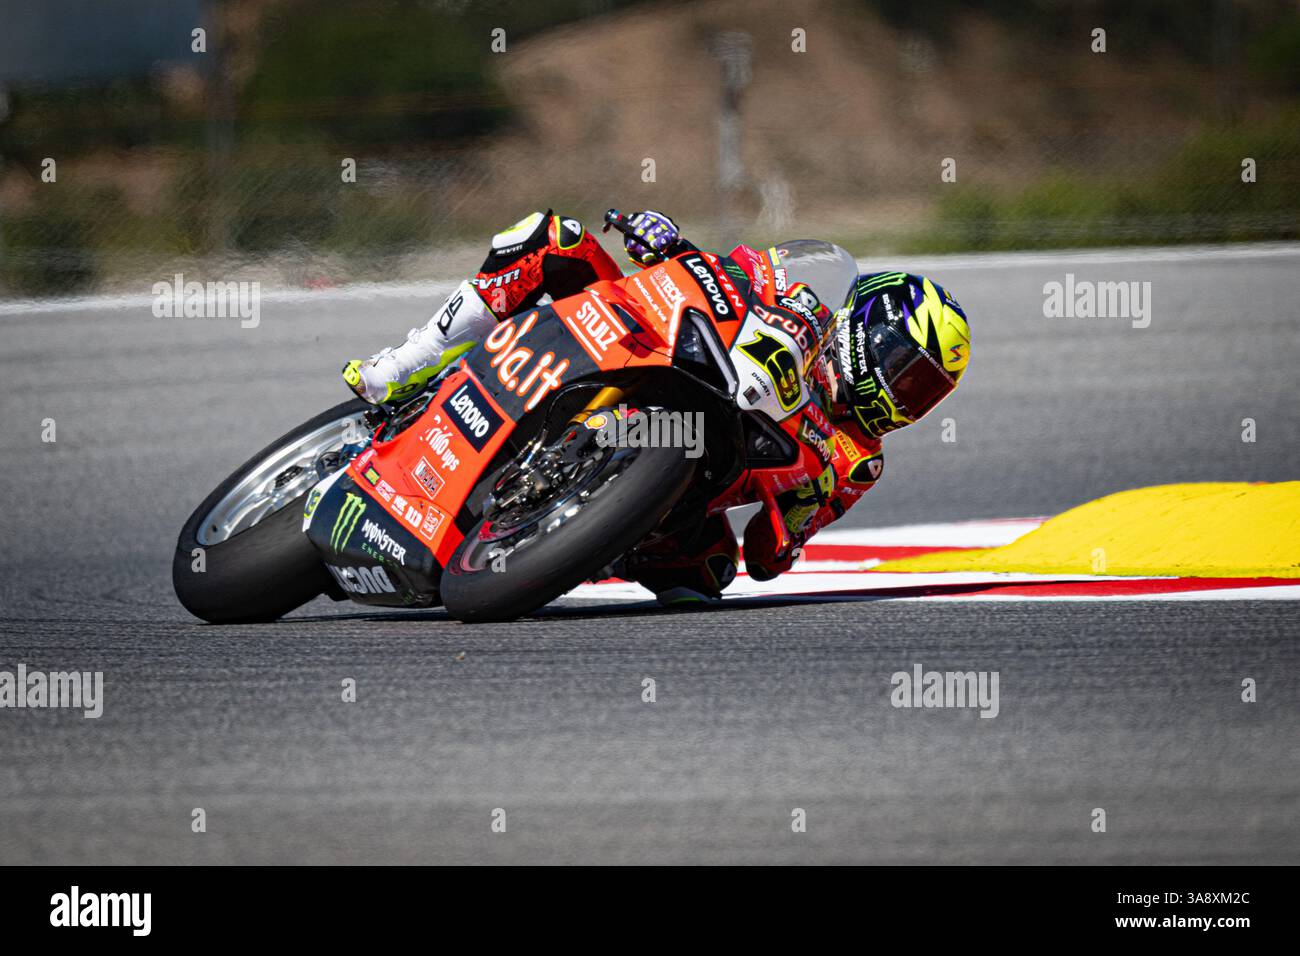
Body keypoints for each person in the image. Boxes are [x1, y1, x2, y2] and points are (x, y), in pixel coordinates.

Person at [342, 209, 971, 604]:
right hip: (664, 355)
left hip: (700, 477)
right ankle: (404, 366)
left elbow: (767, 558)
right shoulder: (807, 305)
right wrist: (669, 243)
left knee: (707, 578)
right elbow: (737, 273)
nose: (904, 398)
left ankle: (570, 537)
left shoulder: (858, 460)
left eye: (924, 395)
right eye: (907, 375)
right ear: (869, 330)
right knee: (550, 240)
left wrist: (796, 517)